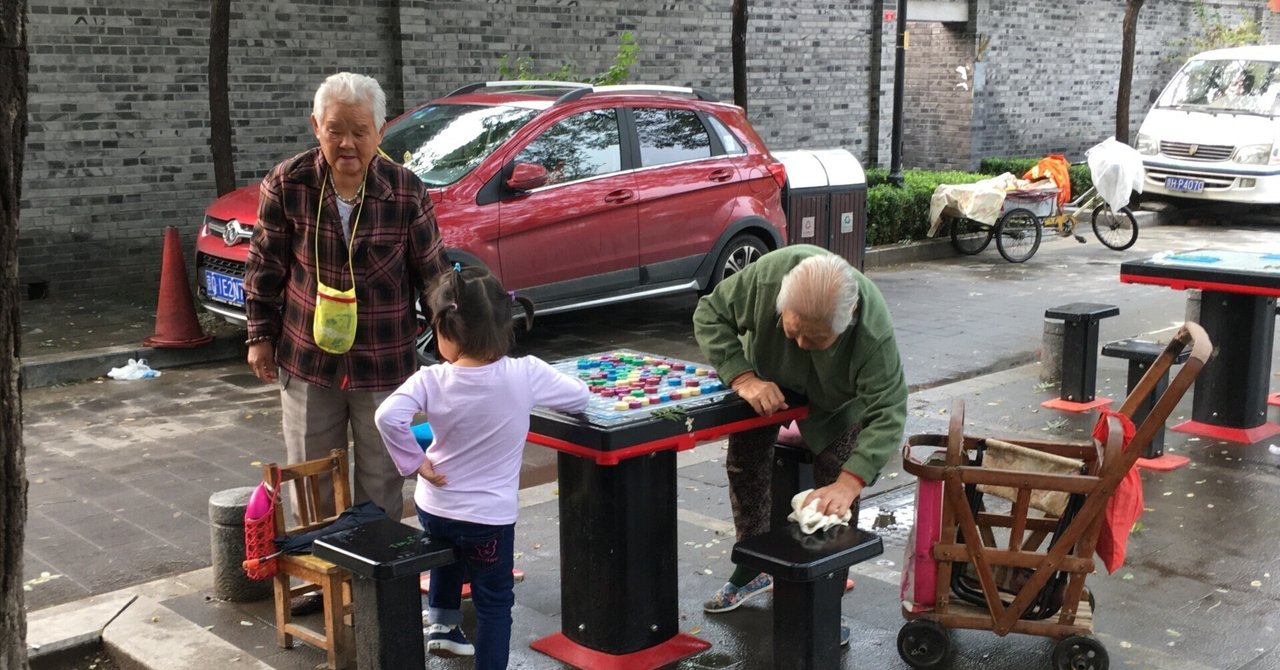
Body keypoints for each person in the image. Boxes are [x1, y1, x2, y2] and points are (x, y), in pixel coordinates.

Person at [242, 72, 445, 612]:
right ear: (316, 127)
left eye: (360, 131)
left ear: (381, 131)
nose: (347, 144)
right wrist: (259, 336)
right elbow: (265, 266)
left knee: (381, 478)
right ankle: (322, 583)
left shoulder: (406, 190)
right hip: (306, 358)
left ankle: (374, 588)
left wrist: (456, 343)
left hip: (385, 360)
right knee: (310, 476)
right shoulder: (288, 183)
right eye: (336, 130)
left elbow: (434, 275)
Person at [375, 265, 590, 668]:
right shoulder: (525, 373)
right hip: (489, 519)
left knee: (448, 553)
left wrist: (415, 462)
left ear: (447, 332)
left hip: (436, 507)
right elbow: (579, 396)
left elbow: (387, 416)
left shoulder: (431, 379)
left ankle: (443, 623)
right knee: (494, 602)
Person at [692, 244, 908, 642]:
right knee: (745, 466)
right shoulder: (765, 279)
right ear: (780, 303)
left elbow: (889, 409)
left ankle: (826, 600)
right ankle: (752, 569)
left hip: (835, 403)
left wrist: (850, 482)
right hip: (765, 383)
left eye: (817, 338)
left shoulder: (871, 331)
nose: (803, 344)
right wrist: (743, 377)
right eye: (793, 332)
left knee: (836, 497)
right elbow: (709, 314)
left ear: (849, 318)